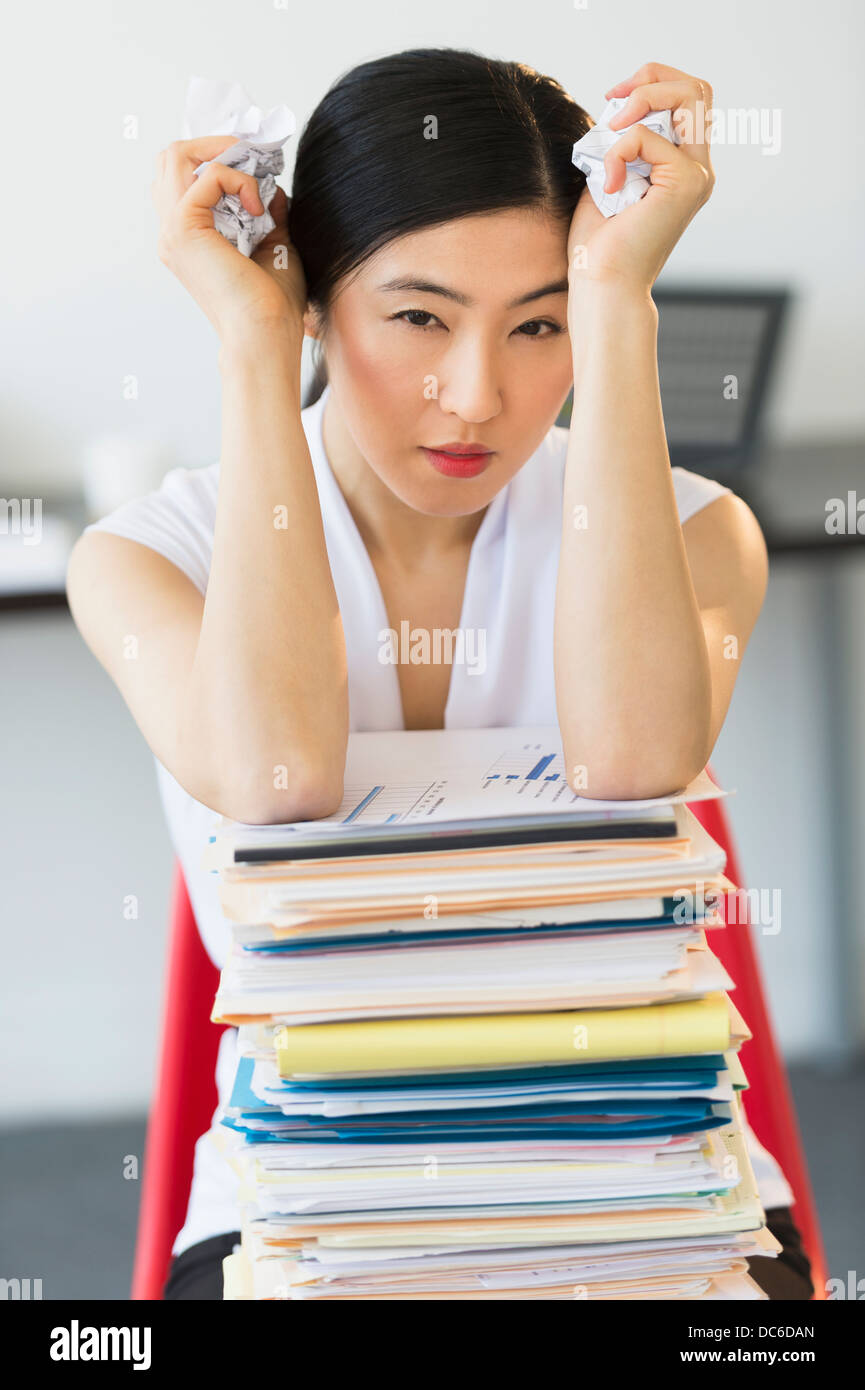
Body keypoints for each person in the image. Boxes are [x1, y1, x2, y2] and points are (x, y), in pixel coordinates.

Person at [67, 49, 814, 1301]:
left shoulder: (696, 533)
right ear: (315, 296)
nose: (476, 396)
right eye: (417, 317)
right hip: (309, 1209)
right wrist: (255, 343)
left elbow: (631, 762)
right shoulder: (149, 559)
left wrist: (618, 299)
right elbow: (280, 774)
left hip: (652, 1203)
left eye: (540, 323)